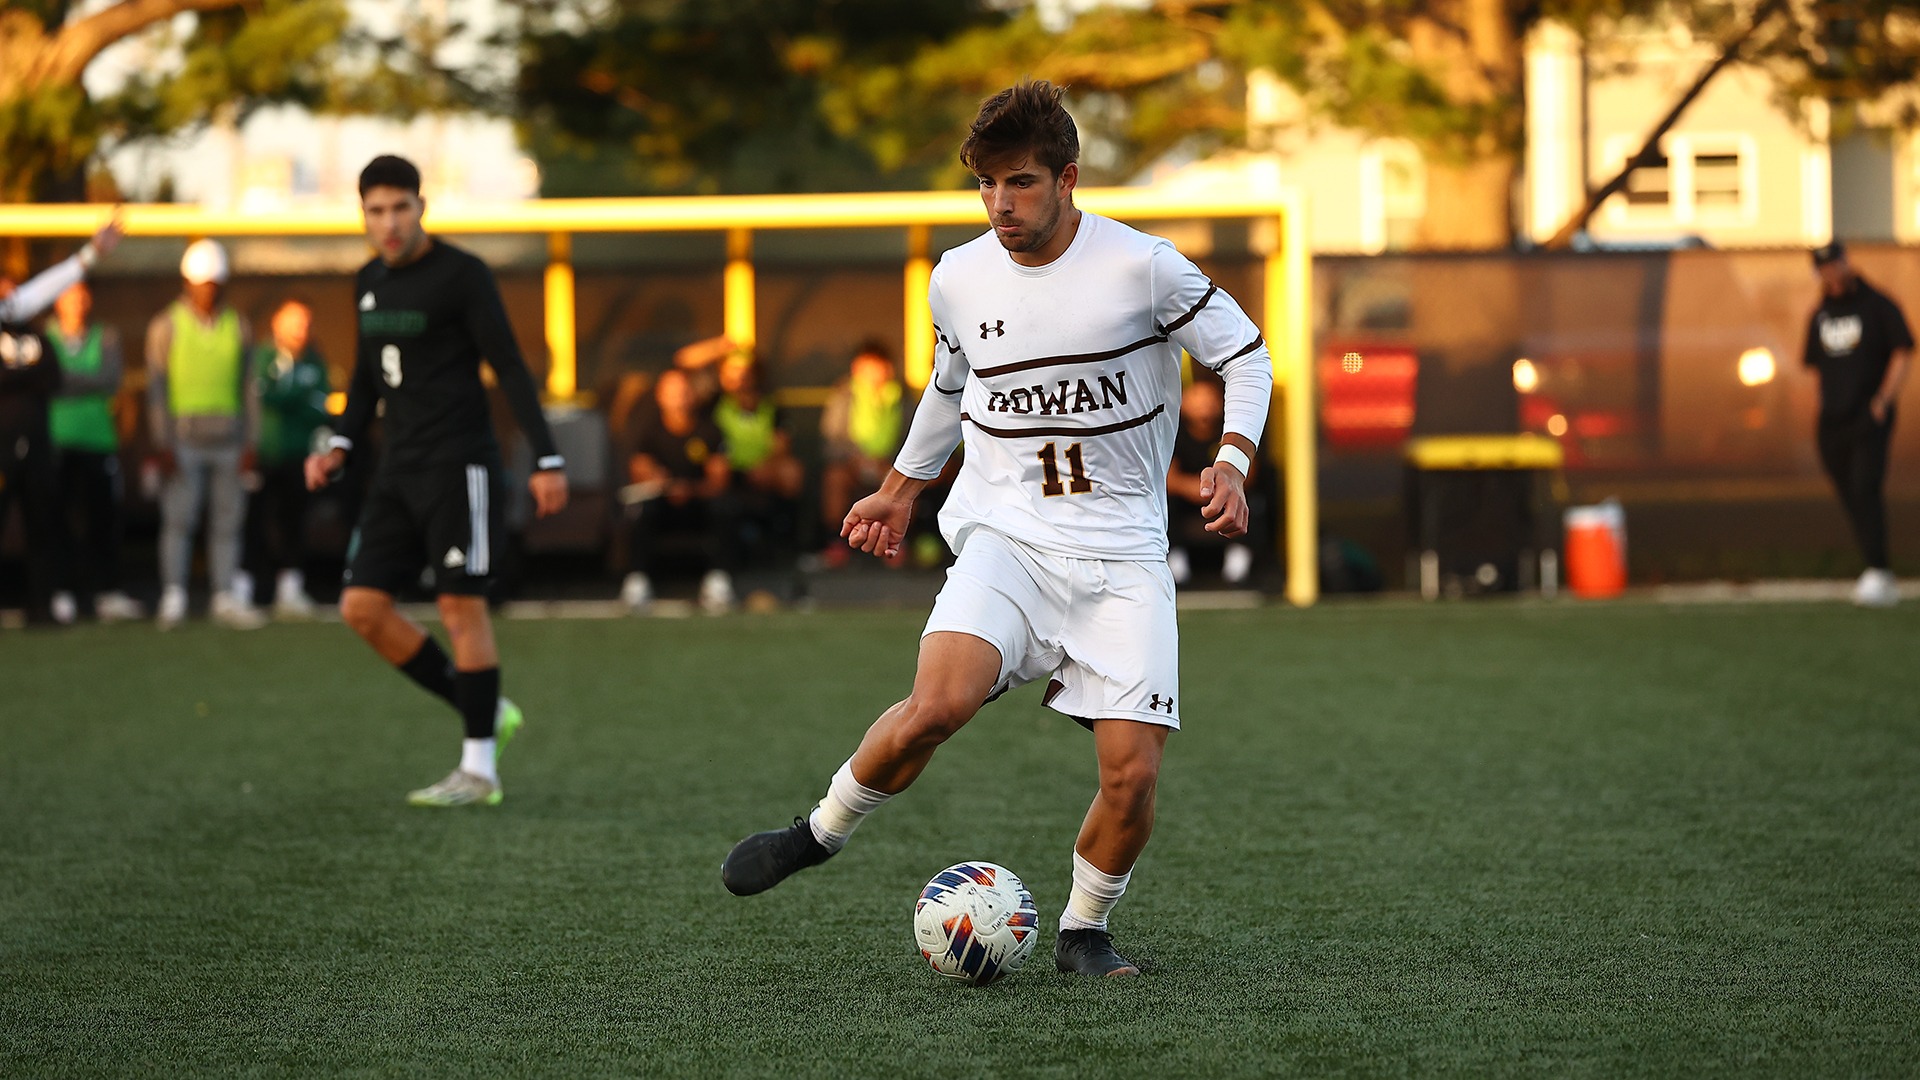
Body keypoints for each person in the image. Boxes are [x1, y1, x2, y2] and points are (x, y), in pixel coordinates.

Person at [722, 82, 1274, 978]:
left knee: (1131, 777)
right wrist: (900, 489)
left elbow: (1247, 357)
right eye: (985, 187)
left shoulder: (1143, 267)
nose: (1000, 206)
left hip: (1125, 557)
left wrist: (1233, 458)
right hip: (1009, 539)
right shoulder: (957, 276)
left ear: (1068, 179)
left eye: (1019, 184)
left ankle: (1084, 929)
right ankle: (818, 833)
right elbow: (950, 387)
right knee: (936, 704)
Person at [305, 155, 569, 807]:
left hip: (461, 466)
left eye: (400, 207)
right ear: (362, 214)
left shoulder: (461, 275)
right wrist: (340, 442)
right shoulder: (367, 281)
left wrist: (547, 457)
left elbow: (508, 367)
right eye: (376, 210)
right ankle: (484, 707)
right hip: (397, 468)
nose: (389, 223)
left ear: (422, 207)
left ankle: (479, 770)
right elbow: (367, 380)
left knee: (460, 607)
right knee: (362, 608)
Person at [0, 219, 122, 625]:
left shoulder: (24, 323)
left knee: (45, 524)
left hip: (35, 444)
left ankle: (45, 603)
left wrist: (90, 256)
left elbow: (49, 375)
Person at [147, 238, 266, 630]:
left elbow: (249, 387)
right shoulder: (166, 325)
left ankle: (224, 594)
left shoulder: (239, 326)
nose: (208, 291)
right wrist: (162, 442)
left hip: (229, 441)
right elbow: (157, 389)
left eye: (214, 284)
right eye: (201, 284)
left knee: (228, 522)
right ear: (187, 283)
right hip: (183, 442)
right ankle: (174, 594)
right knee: (179, 520)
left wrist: (252, 441)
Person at [1803, 240, 1914, 608]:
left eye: (1835, 263)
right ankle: (1874, 564)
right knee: (1850, 491)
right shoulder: (1820, 313)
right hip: (1832, 421)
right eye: (1824, 267)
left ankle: (1879, 570)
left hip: (1868, 416)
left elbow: (1903, 348)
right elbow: (1817, 367)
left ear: (1846, 262)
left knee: (1866, 486)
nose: (1831, 272)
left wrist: (1883, 399)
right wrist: (1820, 407)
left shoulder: (1876, 305)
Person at [47, 280, 144, 623]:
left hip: (98, 440)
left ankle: (106, 593)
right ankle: (61, 592)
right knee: (57, 521)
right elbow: (47, 380)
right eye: (69, 296)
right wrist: (82, 380)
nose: (77, 303)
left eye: (82, 296)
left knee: (102, 520)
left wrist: (68, 380)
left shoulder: (106, 336)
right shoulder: (46, 337)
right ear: (57, 302)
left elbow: (109, 378)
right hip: (58, 440)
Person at [617, 367, 739, 613]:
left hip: (698, 504)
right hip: (661, 505)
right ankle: (638, 581)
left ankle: (718, 581)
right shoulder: (647, 432)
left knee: (724, 507)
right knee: (639, 510)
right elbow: (640, 472)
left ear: (692, 395)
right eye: (672, 393)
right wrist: (661, 483)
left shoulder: (710, 430)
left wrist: (689, 490)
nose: (679, 398)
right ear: (661, 396)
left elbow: (719, 480)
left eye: (684, 392)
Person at [242, 298, 330, 618]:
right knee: (255, 520)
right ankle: (246, 587)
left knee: (294, 521)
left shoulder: (314, 360)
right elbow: (266, 396)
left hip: (299, 454)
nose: (299, 331)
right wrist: (297, 396)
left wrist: (289, 397)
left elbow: (320, 406)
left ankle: (290, 589)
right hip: (263, 453)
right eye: (293, 322)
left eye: (305, 323)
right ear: (276, 323)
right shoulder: (263, 355)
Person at [818, 339, 904, 566]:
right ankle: (835, 543)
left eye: (879, 366)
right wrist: (856, 460)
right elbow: (831, 439)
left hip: (890, 467)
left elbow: (913, 438)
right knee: (834, 478)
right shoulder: (843, 396)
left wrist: (890, 464)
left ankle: (897, 544)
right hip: (851, 466)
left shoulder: (902, 398)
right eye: (868, 367)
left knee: (909, 480)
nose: (874, 374)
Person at [711, 351, 803, 562]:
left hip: (761, 469)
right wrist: (720, 345)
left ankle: (787, 544)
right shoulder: (713, 402)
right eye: (732, 372)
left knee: (791, 472)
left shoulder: (769, 405)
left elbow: (781, 443)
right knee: (718, 471)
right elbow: (682, 362)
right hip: (726, 470)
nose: (740, 380)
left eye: (745, 372)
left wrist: (765, 465)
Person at [1166, 374, 1254, 588]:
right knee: (1166, 502)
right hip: (1188, 501)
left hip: (1223, 496)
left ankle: (1240, 555)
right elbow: (1170, 478)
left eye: (1209, 399)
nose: (1203, 406)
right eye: (1197, 398)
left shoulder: (1230, 432)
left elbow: (1249, 471)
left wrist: (1223, 486)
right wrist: (1201, 489)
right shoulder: (1174, 432)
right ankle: (1174, 557)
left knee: (1251, 500)